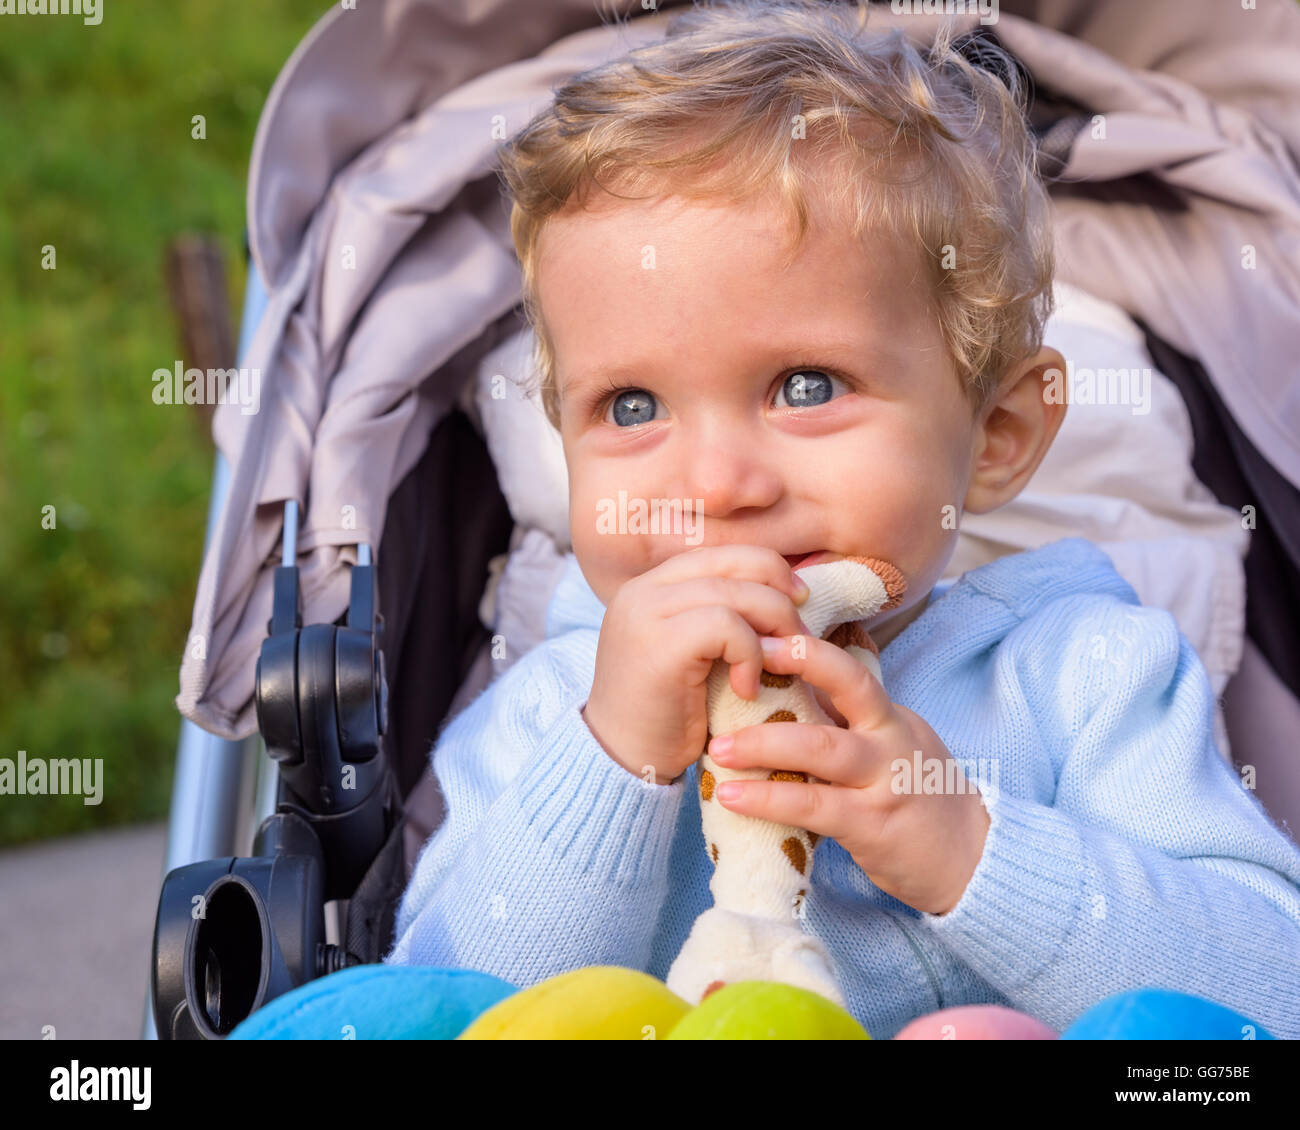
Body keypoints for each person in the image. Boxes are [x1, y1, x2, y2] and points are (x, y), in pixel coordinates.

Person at [383, 0, 1300, 1039]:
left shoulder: (1083, 677)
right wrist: (612, 763)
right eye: (632, 407)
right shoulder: (553, 705)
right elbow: (449, 1003)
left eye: (806, 385)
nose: (719, 482)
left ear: (995, 433)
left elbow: (1270, 991)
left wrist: (971, 851)